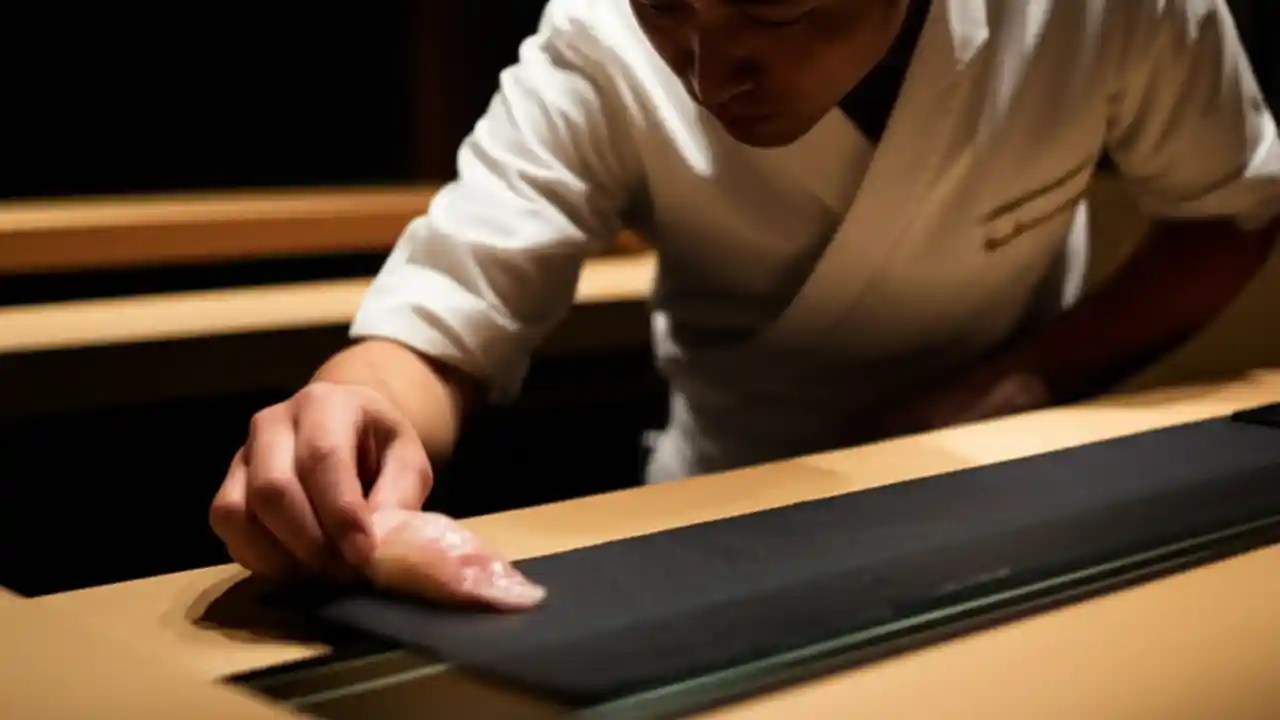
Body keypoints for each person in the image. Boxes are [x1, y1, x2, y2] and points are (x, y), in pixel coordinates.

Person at [210, 0, 1280, 585]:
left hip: (1011, 484)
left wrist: (1024, 377)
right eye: (669, 6)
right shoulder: (598, 38)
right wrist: (356, 408)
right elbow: (449, 306)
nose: (708, 74)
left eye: (778, 12)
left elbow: (1231, 210)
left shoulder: (1100, 12)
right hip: (719, 516)